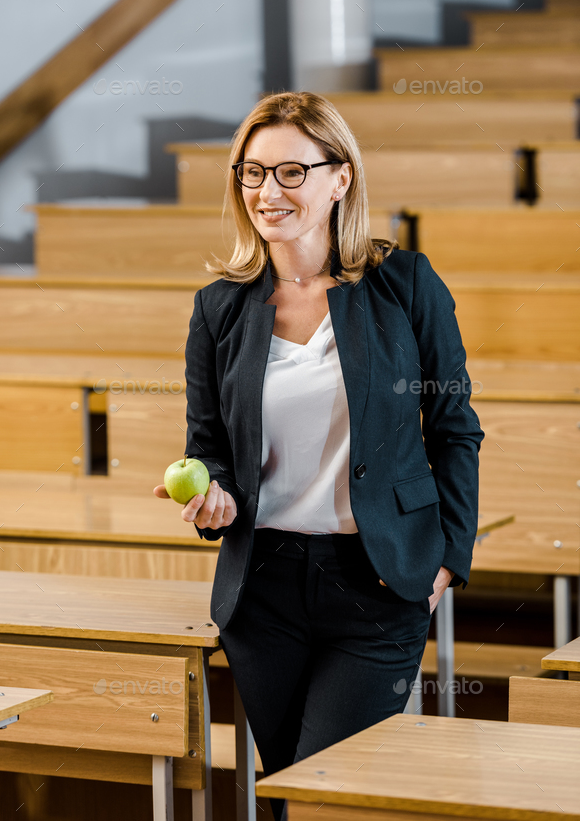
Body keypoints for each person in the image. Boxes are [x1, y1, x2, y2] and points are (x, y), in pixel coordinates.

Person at [155, 91, 484, 821]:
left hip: (377, 585)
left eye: (291, 172)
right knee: (284, 796)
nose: (268, 192)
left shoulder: (406, 285)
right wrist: (212, 495)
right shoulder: (220, 307)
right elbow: (208, 448)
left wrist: (445, 562)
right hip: (264, 589)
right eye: (252, 173)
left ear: (341, 179)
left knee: (330, 799)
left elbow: (456, 429)